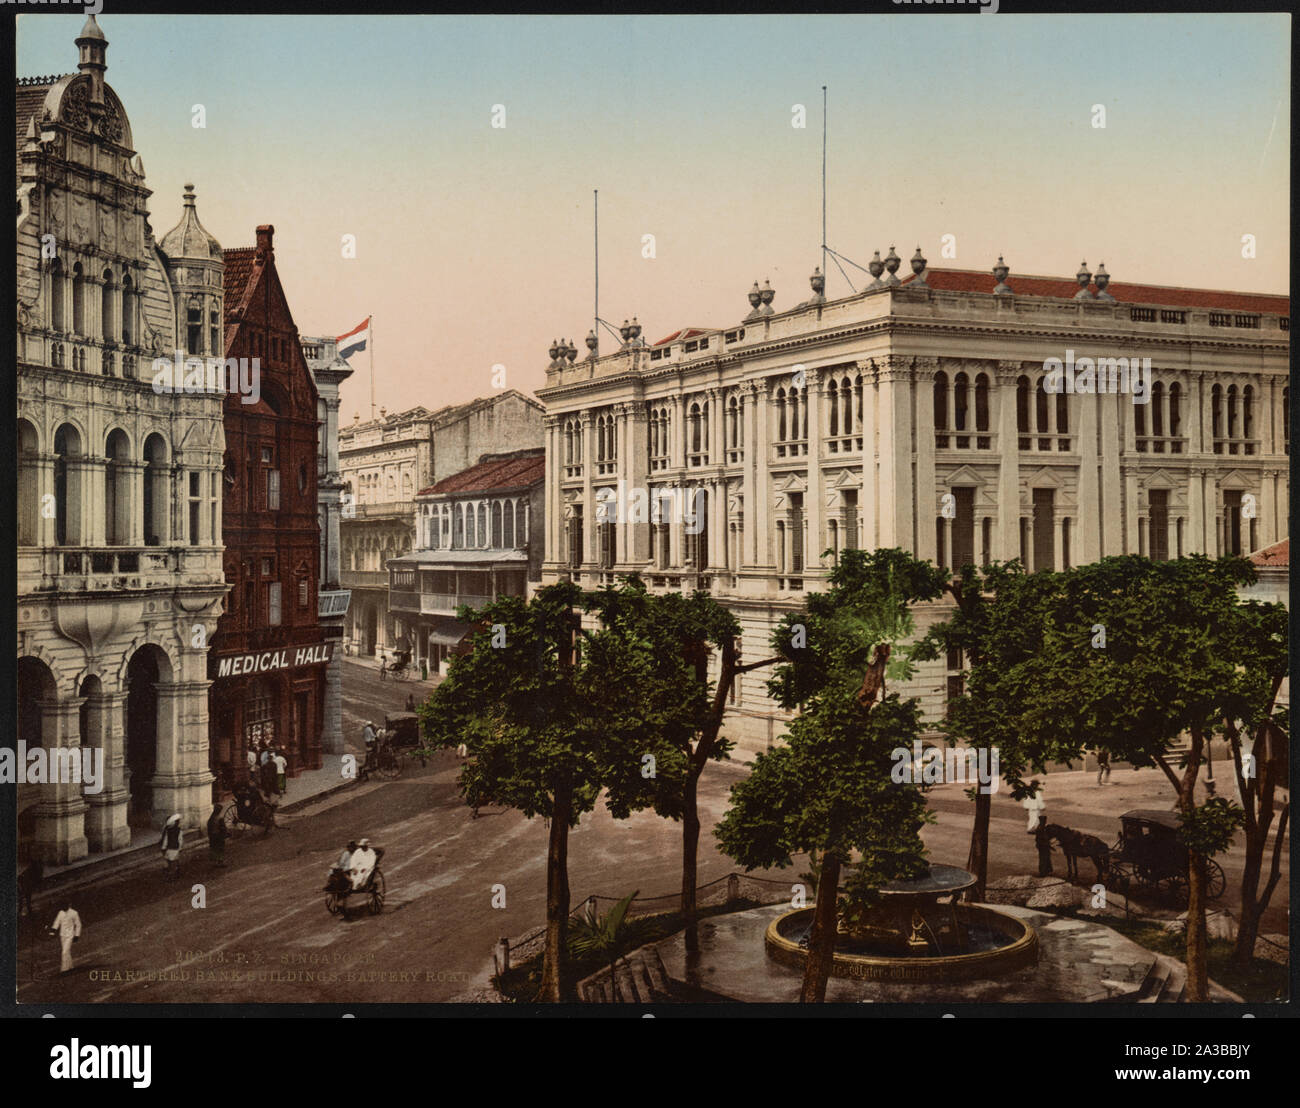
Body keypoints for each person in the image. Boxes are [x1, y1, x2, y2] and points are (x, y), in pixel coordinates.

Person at [50, 904, 82, 973]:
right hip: (62, 935)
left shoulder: (74, 913)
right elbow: (57, 922)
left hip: (70, 935)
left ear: (68, 905)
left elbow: (78, 924)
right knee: (67, 951)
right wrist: (53, 931)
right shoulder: (60, 912)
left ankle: (64, 969)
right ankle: (70, 967)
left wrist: (77, 935)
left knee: (64, 952)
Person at [160, 814, 183, 879]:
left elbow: (166, 840)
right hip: (175, 848)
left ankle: (170, 873)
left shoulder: (168, 831)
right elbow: (180, 840)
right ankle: (174, 873)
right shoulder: (179, 830)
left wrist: (163, 847)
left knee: (169, 861)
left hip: (169, 848)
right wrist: (180, 847)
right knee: (175, 861)